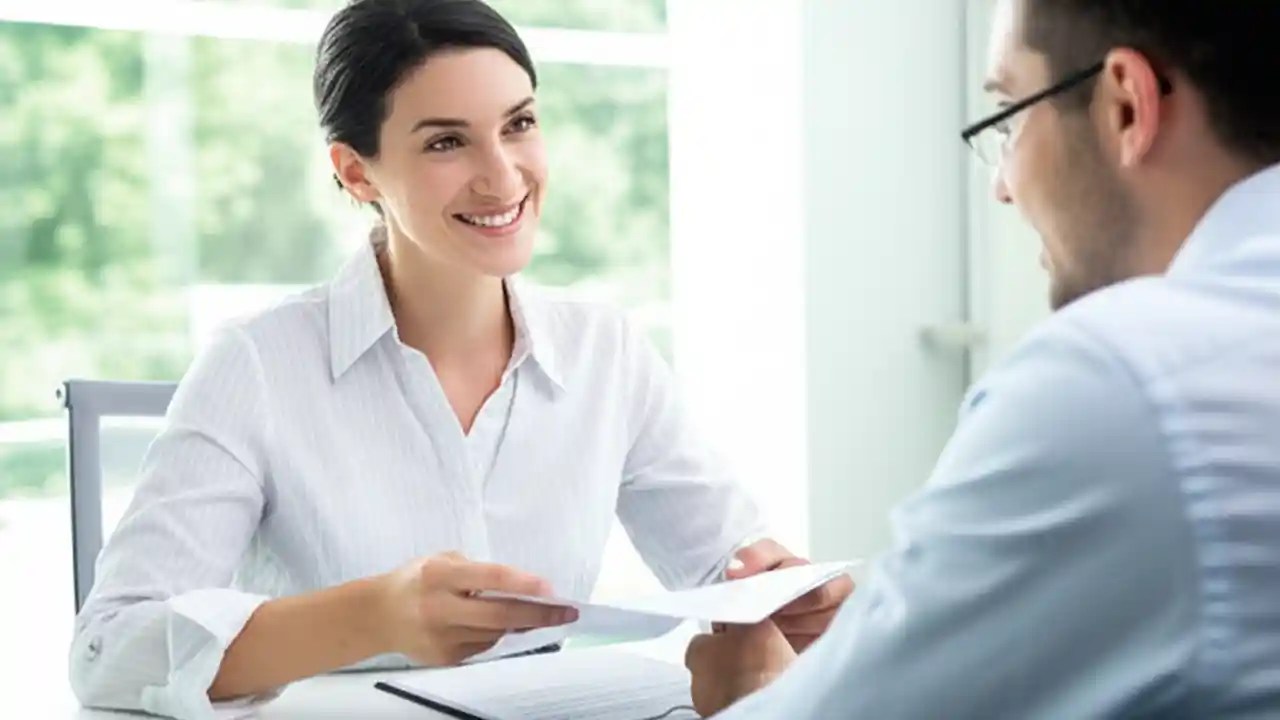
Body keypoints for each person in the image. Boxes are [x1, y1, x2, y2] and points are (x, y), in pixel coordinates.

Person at [68, 1, 852, 717]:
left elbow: (729, 568)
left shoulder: (606, 351)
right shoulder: (257, 365)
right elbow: (107, 648)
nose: (503, 175)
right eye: (446, 141)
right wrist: (372, 616)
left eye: (519, 124)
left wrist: (782, 598)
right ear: (356, 172)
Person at [685, 0, 1280, 717]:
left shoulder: (1125, 379)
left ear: (1127, 105)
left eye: (1010, 115)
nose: (1002, 185)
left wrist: (754, 692)